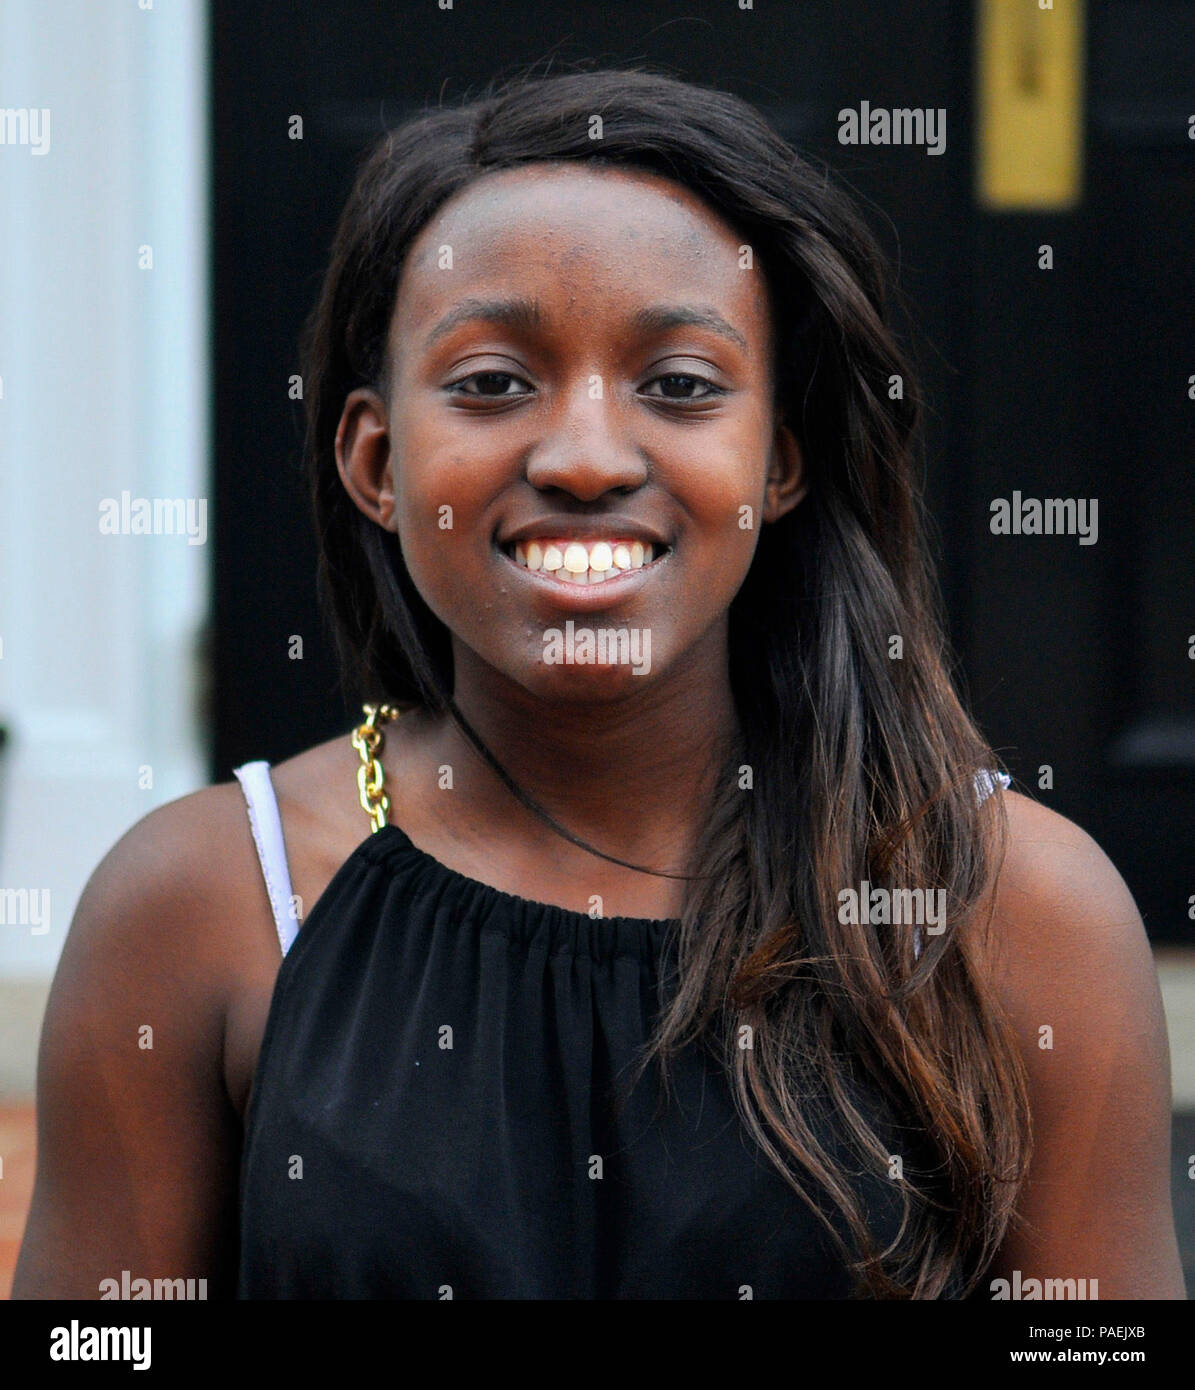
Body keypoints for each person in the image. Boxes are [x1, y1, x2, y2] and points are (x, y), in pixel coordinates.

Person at [14, 66, 1184, 1300]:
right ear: (375, 460)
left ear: (778, 460)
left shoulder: (1012, 912)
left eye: (678, 384)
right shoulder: (207, 903)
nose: (581, 456)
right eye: (490, 384)